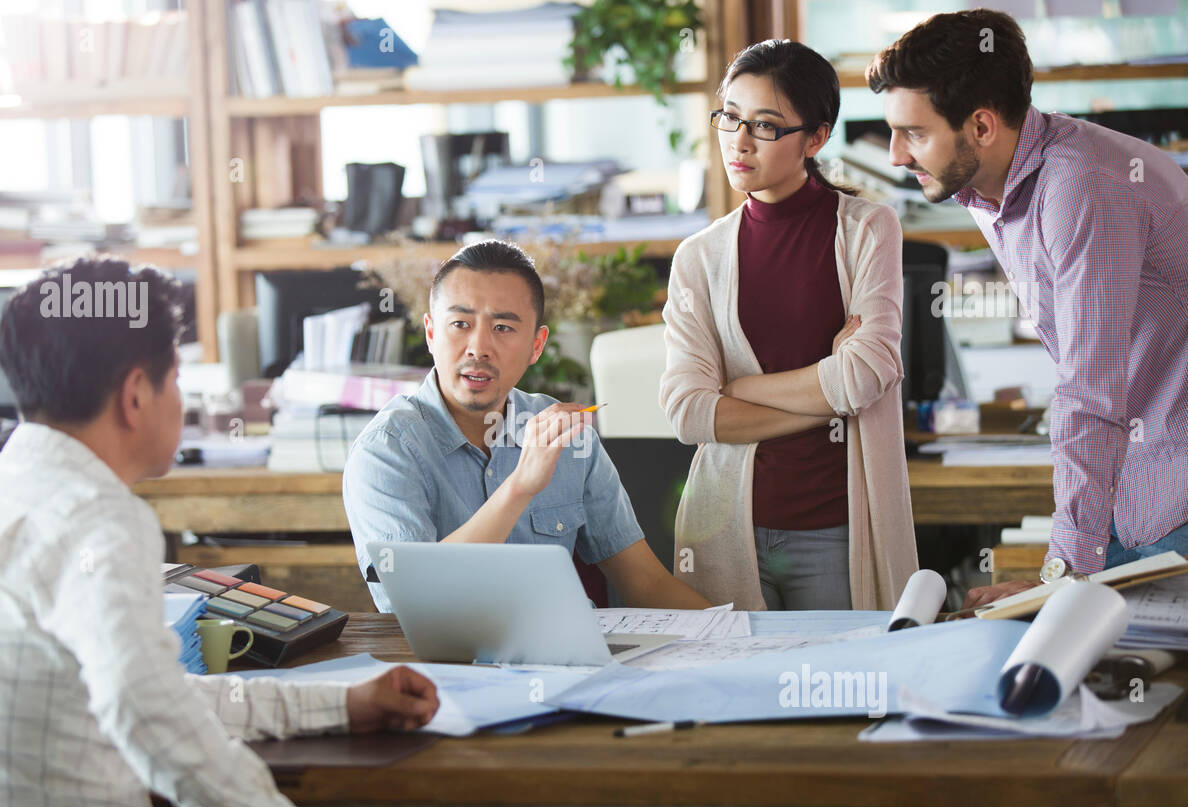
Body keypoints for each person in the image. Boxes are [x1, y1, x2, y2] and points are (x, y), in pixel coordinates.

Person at [0, 257, 438, 807]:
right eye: (175, 378)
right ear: (134, 395)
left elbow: (152, 693)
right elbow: (149, 715)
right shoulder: (97, 516)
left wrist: (341, 704)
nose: (179, 399)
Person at [868, 9, 1188, 609]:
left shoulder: (1083, 184)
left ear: (982, 125)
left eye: (912, 132)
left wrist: (1062, 573)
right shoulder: (987, 186)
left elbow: (1089, 394)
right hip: (1138, 487)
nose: (894, 156)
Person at [659, 39, 918, 612]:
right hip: (726, 526)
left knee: (839, 695)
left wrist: (740, 390)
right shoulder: (699, 258)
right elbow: (687, 412)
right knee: (737, 697)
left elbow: (868, 371)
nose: (739, 142)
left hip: (836, 527)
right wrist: (832, 392)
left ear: (817, 137)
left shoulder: (868, 229)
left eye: (766, 125)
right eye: (730, 118)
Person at [343, 239, 712, 614]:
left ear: (537, 345)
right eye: (459, 324)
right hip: (447, 667)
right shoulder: (386, 449)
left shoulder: (569, 436)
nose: (478, 347)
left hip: (568, 659)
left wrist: (743, 635)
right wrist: (521, 485)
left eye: (502, 327)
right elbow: (415, 598)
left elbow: (646, 584)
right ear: (431, 333)